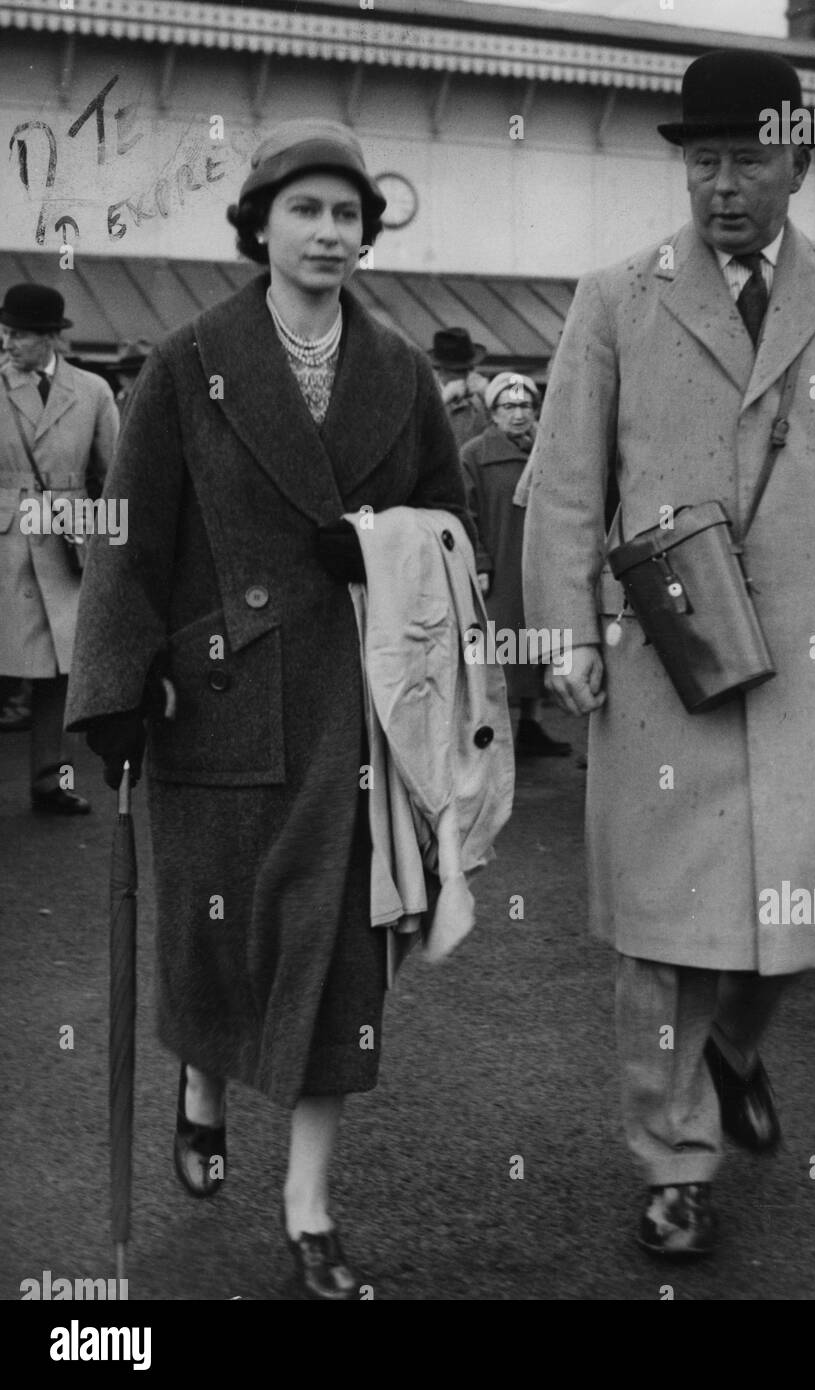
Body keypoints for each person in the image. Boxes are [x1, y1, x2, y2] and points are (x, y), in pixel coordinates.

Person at [523, 49, 815, 1257]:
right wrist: (562, 633)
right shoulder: (615, 295)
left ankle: (732, 1049)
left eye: (747, 160)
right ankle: (674, 1162)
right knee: (665, 931)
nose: (721, 186)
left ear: (797, 163)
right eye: (703, 161)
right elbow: (562, 482)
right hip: (668, 666)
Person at [66, 119, 475, 1300]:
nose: (330, 234)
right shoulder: (188, 358)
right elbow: (129, 536)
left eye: (349, 215)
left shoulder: (399, 373)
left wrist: (383, 545)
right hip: (214, 702)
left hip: (352, 714)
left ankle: (308, 1212)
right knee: (213, 942)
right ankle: (200, 1081)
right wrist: (116, 686)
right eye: (306, 211)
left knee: (333, 959)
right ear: (260, 225)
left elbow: (453, 534)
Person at [0, 284, 118, 813]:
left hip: (66, 542)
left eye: (19, 334)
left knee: (57, 671)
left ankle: (50, 781)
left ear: (50, 337)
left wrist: (111, 545)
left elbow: (112, 474)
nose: (7, 343)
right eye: (4, 333)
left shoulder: (92, 390)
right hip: (4, 539)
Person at [462, 372, 571, 757]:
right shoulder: (474, 454)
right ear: (493, 413)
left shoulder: (549, 449)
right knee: (500, 648)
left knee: (536, 644)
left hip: (540, 562)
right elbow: (464, 512)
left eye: (525, 405)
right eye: (509, 406)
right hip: (500, 564)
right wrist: (479, 560)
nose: (519, 414)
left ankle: (531, 724)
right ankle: (493, 734)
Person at [430, 327, 491, 447]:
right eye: (458, 371)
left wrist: (491, 397)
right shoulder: (423, 391)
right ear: (440, 370)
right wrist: (443, 400)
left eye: (469, 369)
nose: (465, 376)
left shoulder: (479, 392)